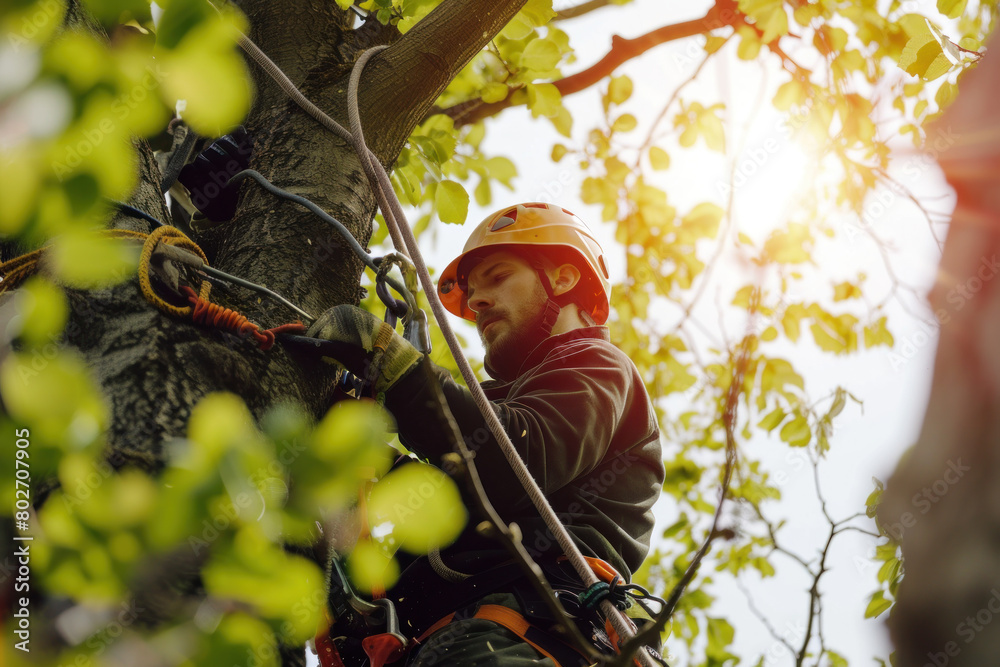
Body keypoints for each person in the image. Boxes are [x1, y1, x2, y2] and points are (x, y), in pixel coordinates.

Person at [308, 203, 664, 666]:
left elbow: (518, 463)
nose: (475, 302)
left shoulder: (598, 365)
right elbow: (448, 501)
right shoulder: (500, 408)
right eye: (472, 292)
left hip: (522, 635)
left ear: (562, 280)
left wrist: (396, 368)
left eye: (497, 277)